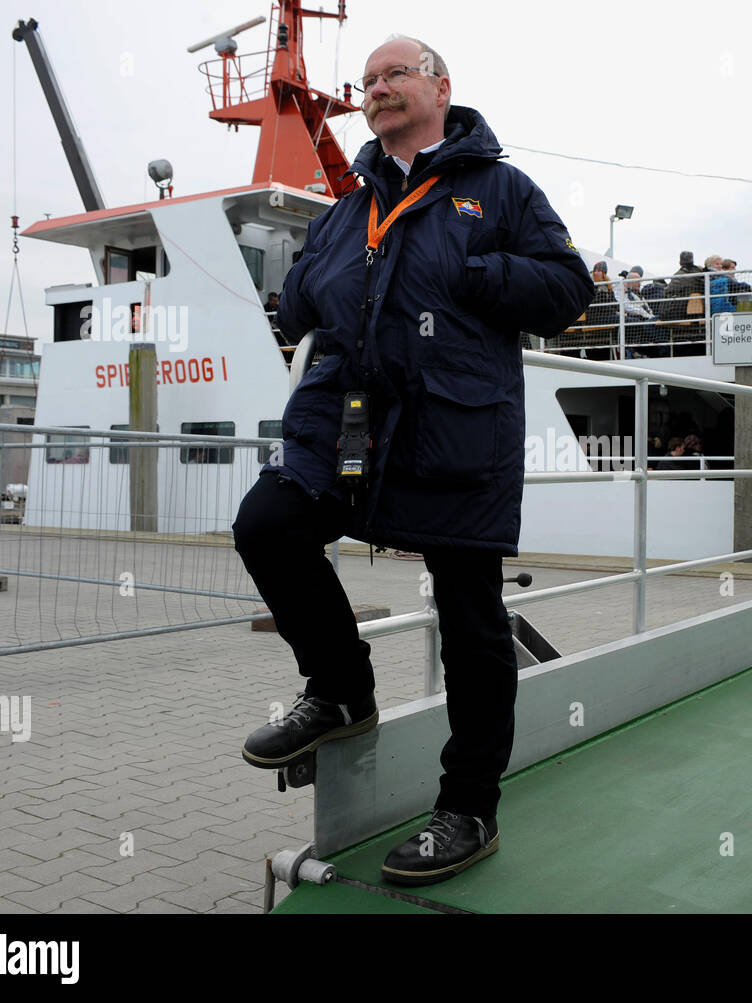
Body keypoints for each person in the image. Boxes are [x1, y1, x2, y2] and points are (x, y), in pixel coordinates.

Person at [231, 34, 593, 887]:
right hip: (347, 425)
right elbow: (302, 303)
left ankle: (468, 807)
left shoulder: (499, 190)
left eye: (396, 74)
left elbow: (566, 290)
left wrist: (476, 269)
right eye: (367, 81)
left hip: (455, 429)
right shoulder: (345, 206)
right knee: (267, 526)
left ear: (441, 87)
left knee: (471, 624)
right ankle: (343, 689)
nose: (378, 89)